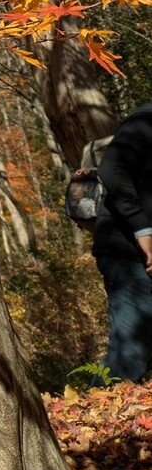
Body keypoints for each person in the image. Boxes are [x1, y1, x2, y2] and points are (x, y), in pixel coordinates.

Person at [93, 101, 152, 382]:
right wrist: (144, 232)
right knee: (131, 349)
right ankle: (98, 414)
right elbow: (111, 171)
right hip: (126, 249)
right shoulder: (146, 121)